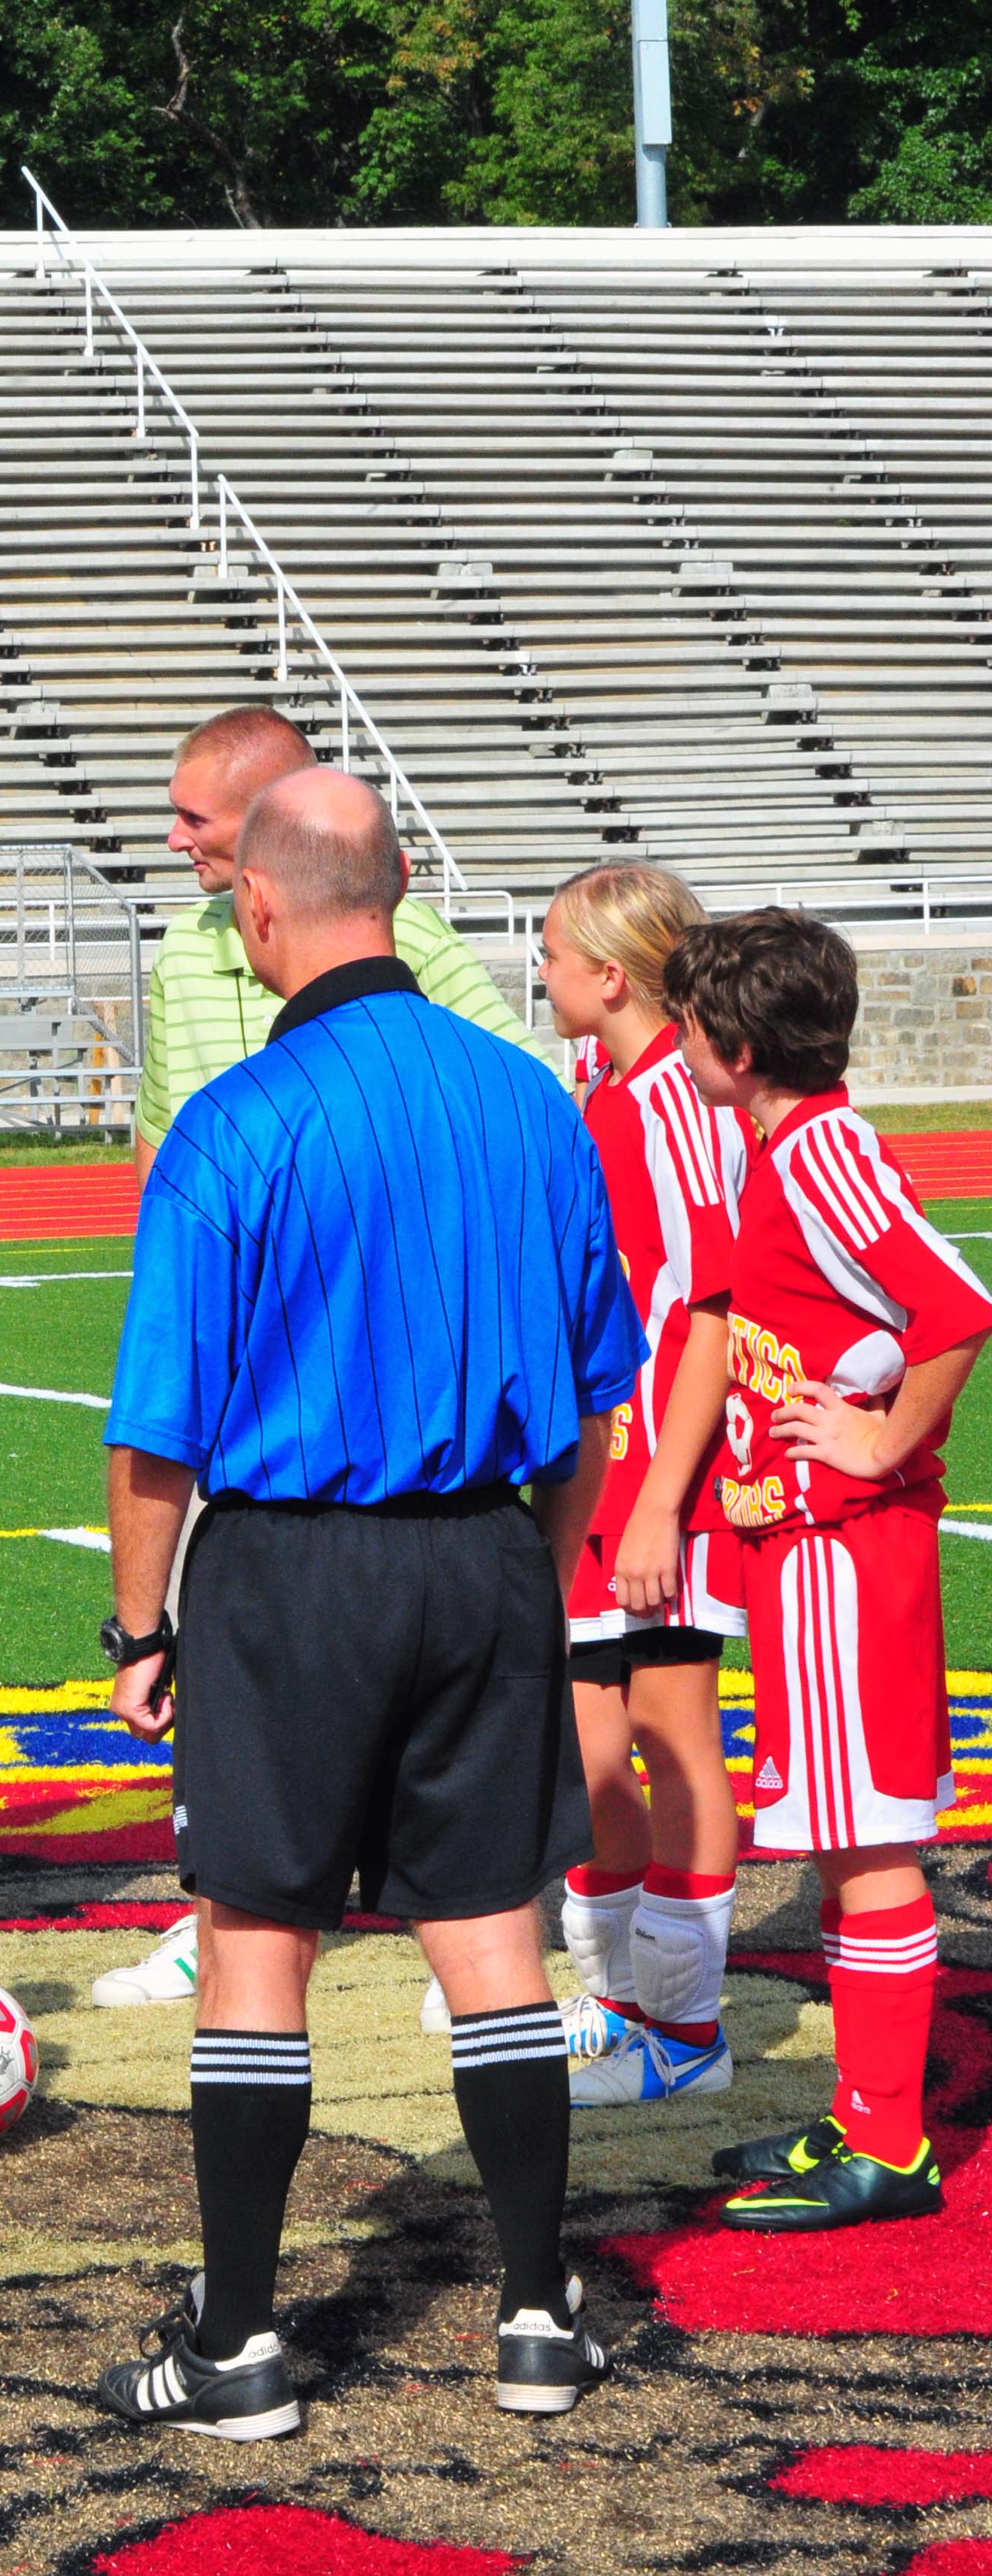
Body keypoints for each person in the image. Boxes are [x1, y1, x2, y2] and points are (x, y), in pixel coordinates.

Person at [94, 770, 643, 2437]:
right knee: (492, 1938)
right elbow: (597, 1394)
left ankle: (240, 2346)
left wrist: (141, 1630)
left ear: (259, 907)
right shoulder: (529, 1098)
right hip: (484, 1552)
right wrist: (533, 1568)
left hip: (290, 1568)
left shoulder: (235, 1120)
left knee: (256, 1940)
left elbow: (157, 1431)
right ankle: (536, 2316)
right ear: (398, 889)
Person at [93, 703, 551, 2017]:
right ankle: (238, 1899)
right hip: (291, 1378)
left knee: (280, 1901)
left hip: (337, 1400)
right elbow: (160, 1127)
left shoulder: (403, 952)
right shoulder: (185, 951)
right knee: (232, 1662)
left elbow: (492, 1086)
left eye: (192, 817)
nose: (170, 840)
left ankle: (309, 1914)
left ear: (267, 852)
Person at [667, 910, 992, 2230]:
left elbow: (955, 1306)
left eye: (692, 1025)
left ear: (738, 1049)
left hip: (843, 1548)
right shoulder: (781, 1151)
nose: (680, 1044)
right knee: (843, 1836)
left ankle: (891, 2145)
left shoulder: (821, 1152)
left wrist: (879, 1439)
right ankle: (865, 2117)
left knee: (865, 1843)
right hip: (803, 1545)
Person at [536, 867, 749, 2112]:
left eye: (552, 957)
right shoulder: (614, 1092)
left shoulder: (677, 1101)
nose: (541, 977)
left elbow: (711, 1309)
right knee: (588, 1752)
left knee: (676, 1737)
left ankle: (687, 2029)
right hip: (598, 1469)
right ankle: (619, 2002)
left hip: (664, 1476)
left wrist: (664, 1495)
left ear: (610, 976)